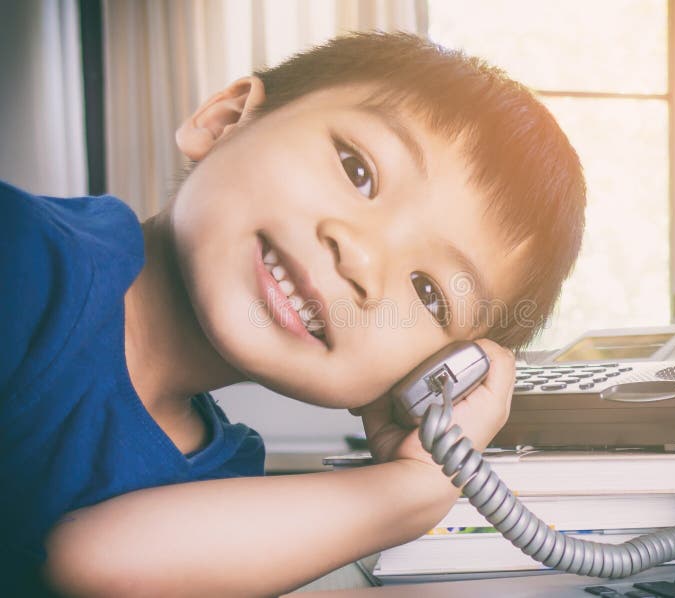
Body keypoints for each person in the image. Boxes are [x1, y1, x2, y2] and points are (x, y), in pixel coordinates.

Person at [0, 32, 585, 596]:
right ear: (227, 121)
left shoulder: (224, 473)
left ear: (430, 371)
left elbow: (98, 566)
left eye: (428, 292)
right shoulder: (24, 254)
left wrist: (415, 486)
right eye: (358, 170)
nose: (360, 256)